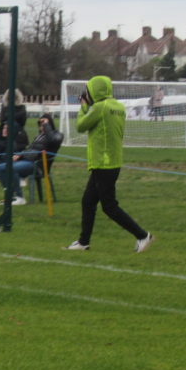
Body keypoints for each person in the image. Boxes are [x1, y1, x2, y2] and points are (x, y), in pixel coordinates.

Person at [66, 75, 152, 252]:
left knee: (109, 206)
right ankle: (83, 241)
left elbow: (81, 126)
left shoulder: (100, 107)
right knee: (88, 201)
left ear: (95, 90)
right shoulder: (118, 106)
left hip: (103, 163)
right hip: (113, 161)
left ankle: (142, 235)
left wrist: (83, 106)